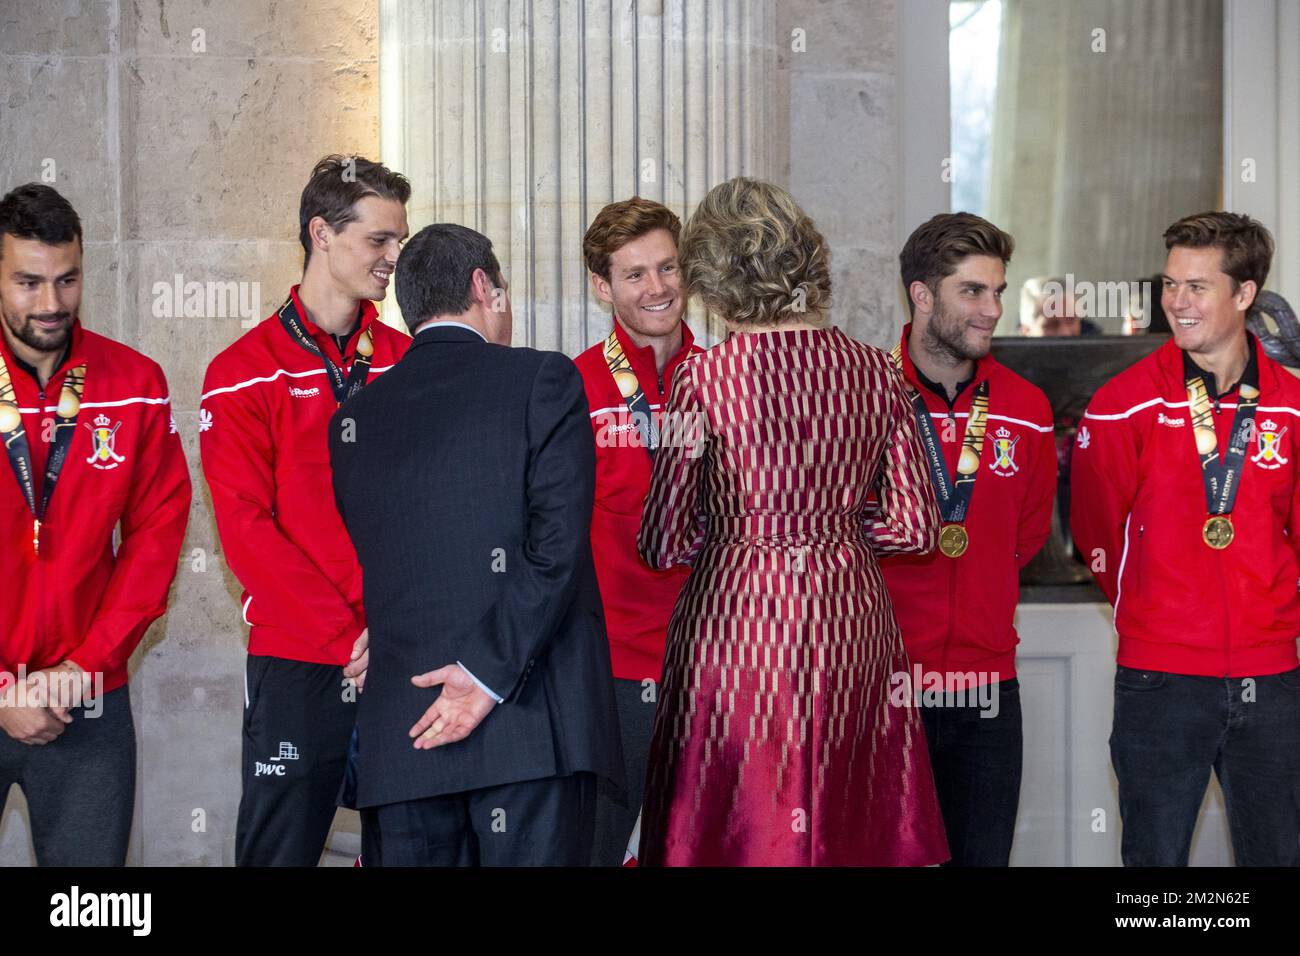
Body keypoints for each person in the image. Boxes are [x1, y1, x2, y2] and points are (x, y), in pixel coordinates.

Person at [636, 177, 948, 866]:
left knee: (736, 827)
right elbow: (916, 528)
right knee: (847, 823)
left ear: (713, 275)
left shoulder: (702, 379)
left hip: (737, 627)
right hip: (850, 626)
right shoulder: (878, 373)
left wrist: (747, 530)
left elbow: (663, 540)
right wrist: (831, 531)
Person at [329, 223, 623, 867]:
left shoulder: (353, 419)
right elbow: (556, 548)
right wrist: (485, 675)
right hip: (528, 734)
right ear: (482, 286)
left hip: (406, 739)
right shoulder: (543, 380)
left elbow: (387, 554)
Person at [199, 155, 411, 866]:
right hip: (300, 657)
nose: (391, 259)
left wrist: (390, 625)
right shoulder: (241, 370)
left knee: (409, 850)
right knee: (279, 852)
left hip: (402, 651)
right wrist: (346, 635)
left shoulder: (410, 362)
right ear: (321, 233)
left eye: (399, 243)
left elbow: (436, 513)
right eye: (378, 240)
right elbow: (247, 532)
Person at [1072, 211, 1300, 866]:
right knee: (1156, 870)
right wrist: (1157, 616)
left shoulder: (1292, 406)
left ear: (1245, 294)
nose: (1177, 301)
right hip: (1160, 678)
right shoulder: (1122, 404)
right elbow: (1097, 534)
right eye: (1171, 284)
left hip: (1272, 677)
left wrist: (1269, 617)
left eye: (1198, 286)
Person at [0, 183, 191, 865]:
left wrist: (84, 667)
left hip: (88, 702)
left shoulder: (135, 381)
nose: (50, 303)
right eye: (27, 282)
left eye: (66, 279)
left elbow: (156, 539)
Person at [882, 212, 1056, 866]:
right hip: (887, 694)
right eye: (972, 292)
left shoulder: (1027, 407)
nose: (991, 309)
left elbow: (1028, 533)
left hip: (988, 692)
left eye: (998, 291)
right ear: (922, 295)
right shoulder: (869, 397)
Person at [574, 197, 703, 866]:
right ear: (602, 287)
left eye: (668, 267)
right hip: (614, 674)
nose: (657, 288)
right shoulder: (573, 387)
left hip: (713, 670)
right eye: (634, 274)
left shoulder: (726, 381)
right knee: (593, 850)